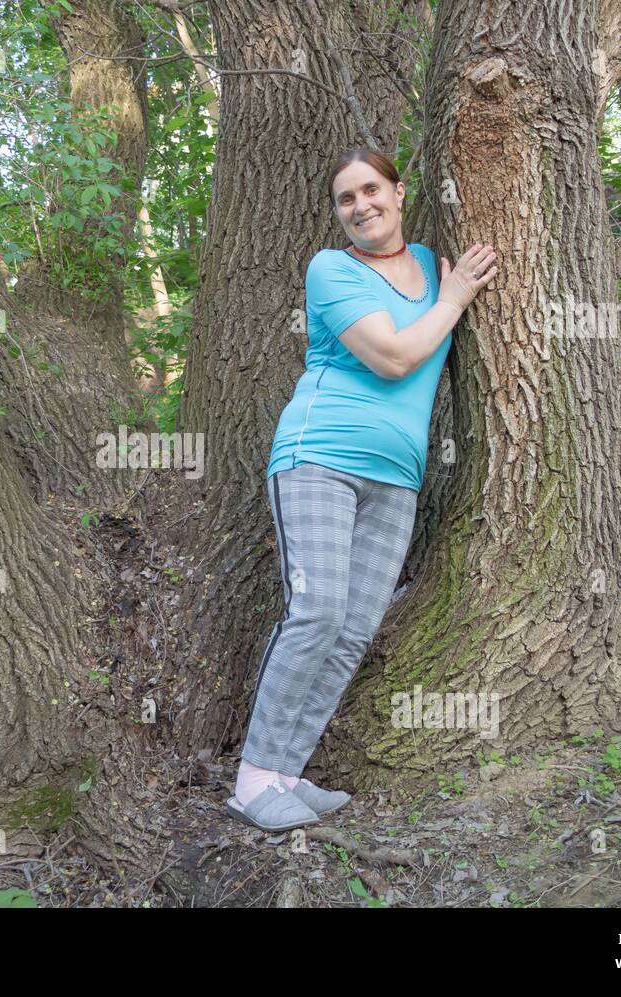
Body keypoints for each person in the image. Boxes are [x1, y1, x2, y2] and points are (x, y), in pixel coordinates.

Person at [225, 148, 498, 831]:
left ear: (399, 193)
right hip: (319, 455)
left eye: (371, 189)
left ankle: (287, 770)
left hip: (398, 476)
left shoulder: (435, 263)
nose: (361, 205)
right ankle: (253, 779)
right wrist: (458, 296)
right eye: (346, 198)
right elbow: (395, 356)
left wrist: (450, 289)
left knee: (351, 631)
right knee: (315, 612)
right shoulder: (332, 268)